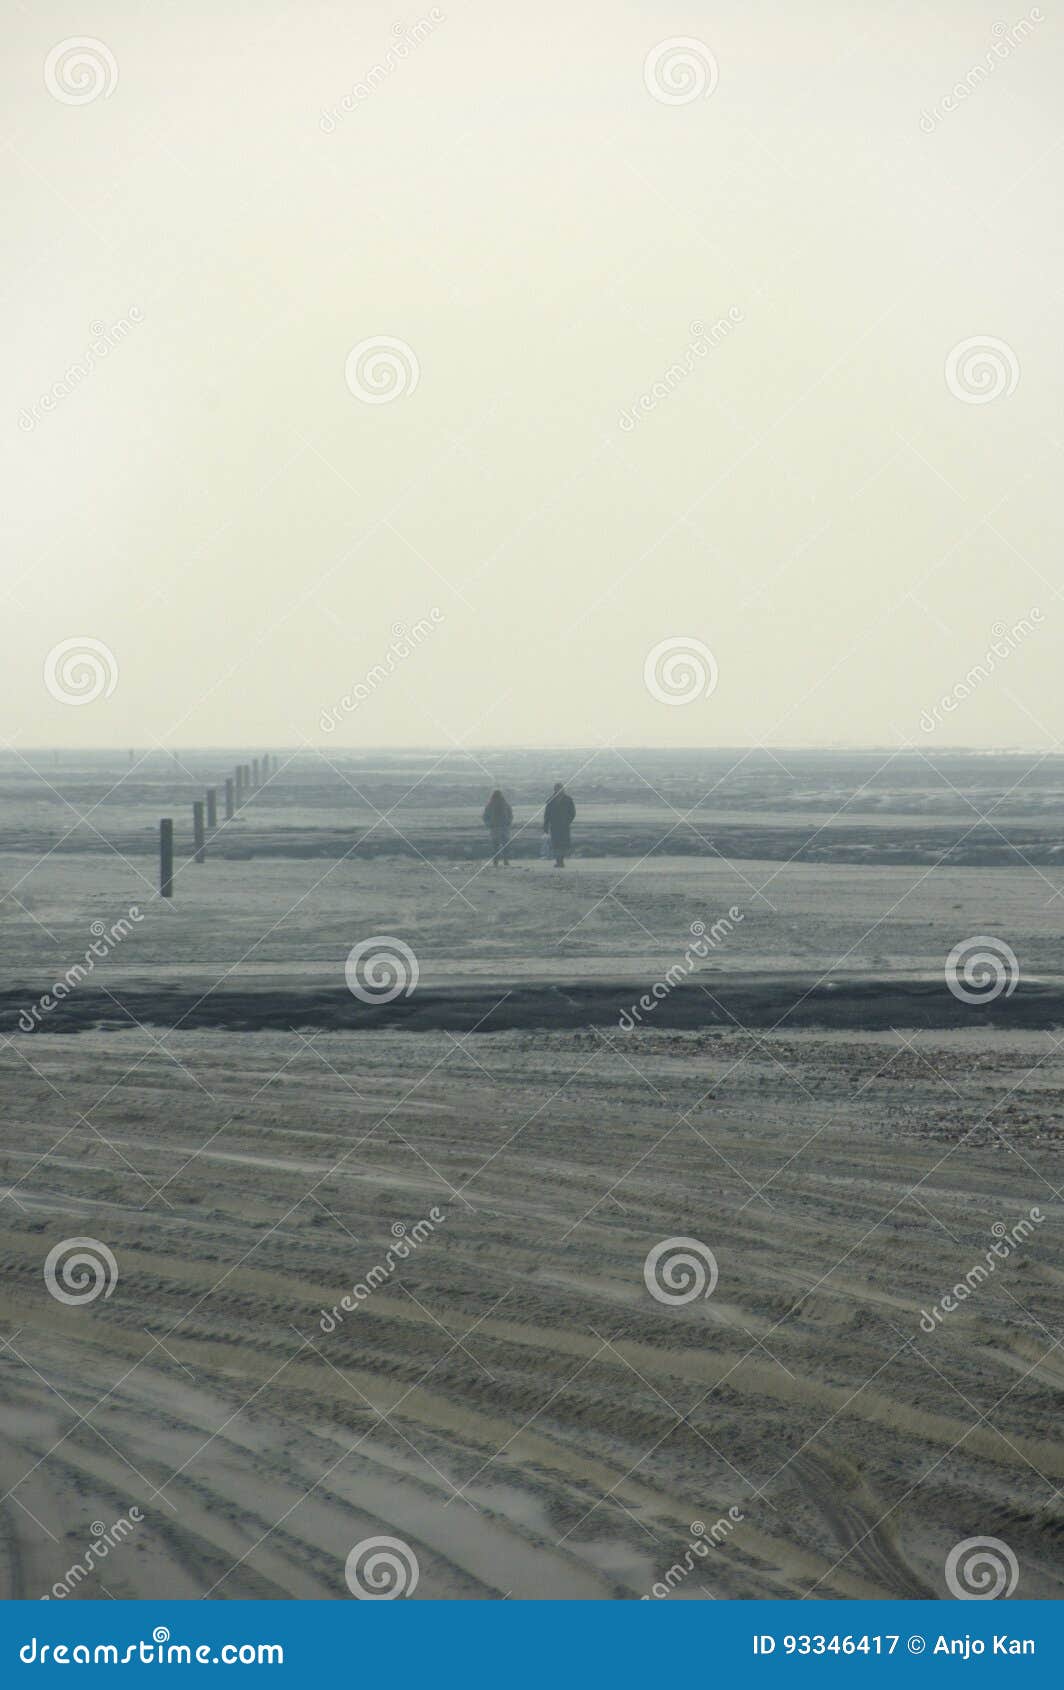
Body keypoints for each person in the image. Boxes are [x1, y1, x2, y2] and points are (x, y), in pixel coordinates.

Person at [543, 781, 576, 868]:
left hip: (564, 826)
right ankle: (559, 861)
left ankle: (561, 861)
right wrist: (545, 826)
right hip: (554, 826)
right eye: (557, 789)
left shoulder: (568, 800)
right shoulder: (550, 800)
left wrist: (567, 821)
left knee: (563, 845)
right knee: (555, 844)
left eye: (560, 788)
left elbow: (572, 813)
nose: (558, 790)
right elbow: (547, 815)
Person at [482, 789, 513, 867]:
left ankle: (496, 862)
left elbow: (485, 816)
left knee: (496, 846)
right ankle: (505, 861)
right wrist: (508, 823)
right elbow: (510, 815)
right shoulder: (505, 804)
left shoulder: (490, 805)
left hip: (495, 828)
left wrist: (489, 824)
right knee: (504, 845)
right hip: (503, 828)